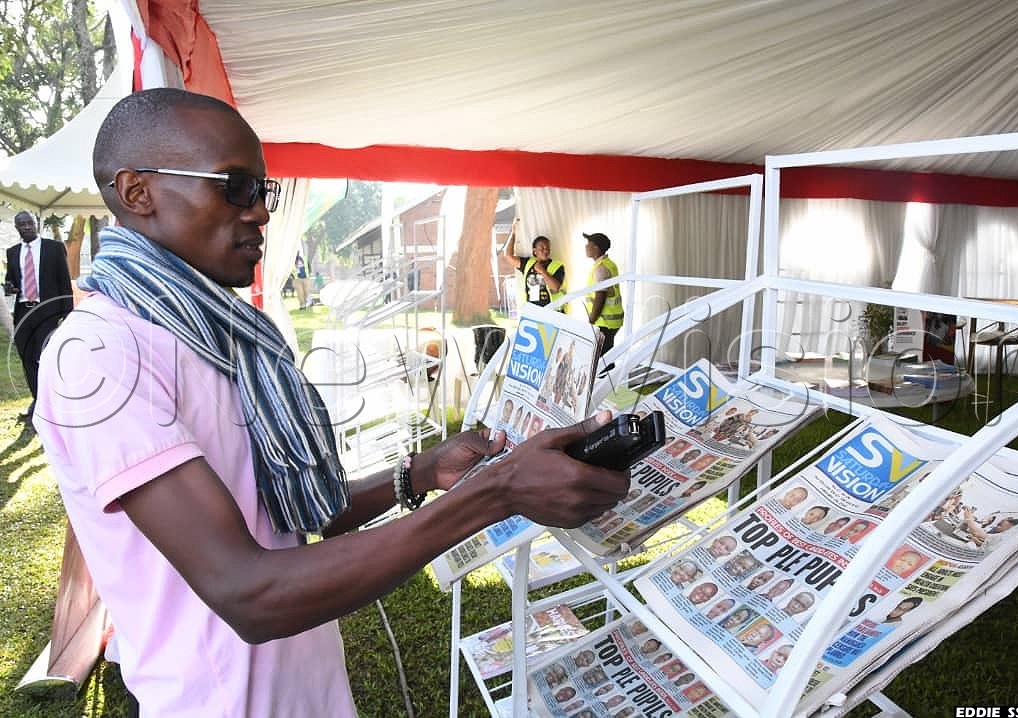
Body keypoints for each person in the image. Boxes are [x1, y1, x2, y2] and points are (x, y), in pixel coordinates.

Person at [32, 88, 630, 718]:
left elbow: (290, 513)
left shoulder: (221, 331)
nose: (260, 212)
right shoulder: (100, 353)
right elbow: (249, 591)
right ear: (137, 192)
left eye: (267, 191)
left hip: (308, 688)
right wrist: (496, 493)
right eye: (235, 186)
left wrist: (422, 472)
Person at [4, 210, 73, 423]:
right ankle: (38, 402)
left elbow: (64, 281)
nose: (26, 227)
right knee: (27, 358)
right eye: (21, 224)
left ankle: (55, 405)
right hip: (24, 311)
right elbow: (11, 281)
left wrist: (67, 315)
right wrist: (9, 288)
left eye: (29, 223)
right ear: (16, 228)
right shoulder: (12, 252)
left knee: (47, 358)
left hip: (47, 311)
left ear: (36, 224)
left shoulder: (53, 248)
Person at [502, 220, 566, 311]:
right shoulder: (528, 263)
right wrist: (513, 234)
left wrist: (542, 271)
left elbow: (555, 288)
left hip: (553, 313)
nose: (546, 251)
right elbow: (508, 256)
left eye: (548, 248)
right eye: (542, 248)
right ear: (534, 250)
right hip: (533, 312)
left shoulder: (557, 266)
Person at [583, 232, 623, 355]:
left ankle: (607, 375)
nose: (586, 247)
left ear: (596, 248)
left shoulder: (601, 268)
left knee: (602, 359)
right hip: (611, 320)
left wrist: (590, 321)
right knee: (606, 355)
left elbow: (600, 296)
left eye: (588, 244)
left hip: (604, 322)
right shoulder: (609, 263)